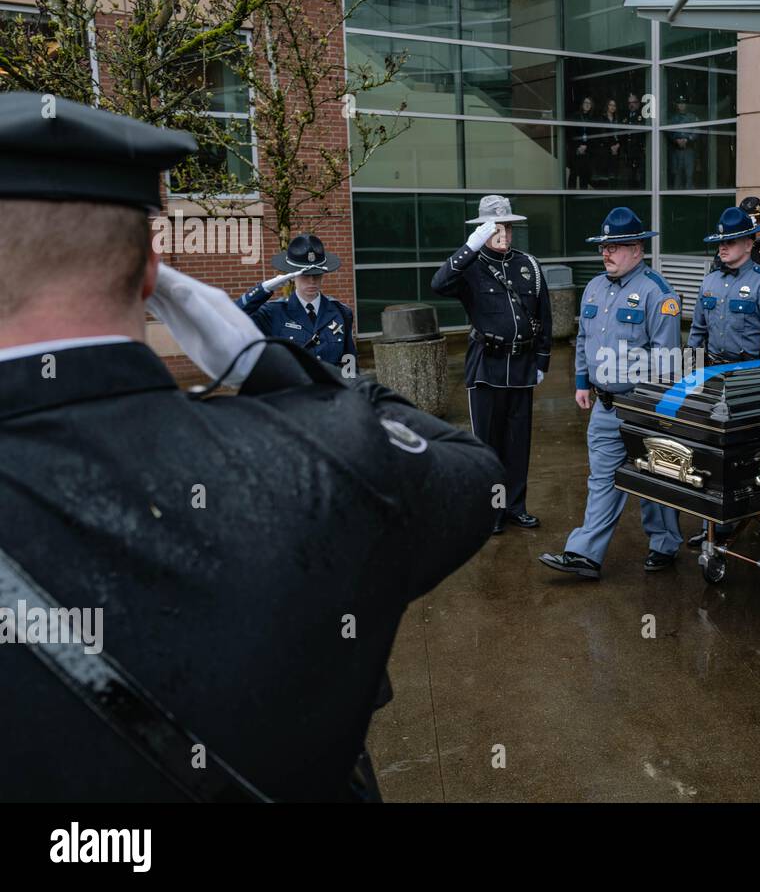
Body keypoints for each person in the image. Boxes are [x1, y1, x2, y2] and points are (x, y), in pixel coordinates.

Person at [0, 92, 502, 801]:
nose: (312, 281)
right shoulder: (324, 457)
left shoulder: (335, 327)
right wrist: (267, 365)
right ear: (151, 272)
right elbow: (476, 476)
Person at [539, 207, 683, 579]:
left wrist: (656, 411)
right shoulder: (595, 287)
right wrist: (582, 381)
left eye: (616, 246)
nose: (607, 253)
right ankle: (585, 554)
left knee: (653, 479)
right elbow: (585, 339)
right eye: (604, 246)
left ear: (638, 249)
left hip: (642, 405)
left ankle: (664, 542)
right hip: (605, 405)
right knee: (602, 478)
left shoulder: (658, 293)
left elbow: (666, 361)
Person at [430, 195, 551, 535]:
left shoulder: (528, 265)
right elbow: (438, 284)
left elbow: (544, 314)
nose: (505, 234)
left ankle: (516, 507)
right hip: (488, 366)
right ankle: (494, 510)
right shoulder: (470, 266)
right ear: (483, 230)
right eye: (497, 228)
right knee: (489, 445)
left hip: (522, 364)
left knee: (518, 442)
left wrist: (542, 359)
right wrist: (469, 247)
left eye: (508, 228)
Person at [683, 205, 760, 549]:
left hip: (749, 380)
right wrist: (691, 376)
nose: (723, 247)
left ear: (749, 243)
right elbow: (697, 332)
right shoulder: (710, 281)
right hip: (713, 377)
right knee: (710, 453)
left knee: (751, 454)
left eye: (731, 241)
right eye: (720, 242)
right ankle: (713, 525)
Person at [235, 233, 356, 367]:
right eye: (305, 275)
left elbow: (348, 359)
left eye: (316, 274)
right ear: (292, 276)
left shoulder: (341, 312)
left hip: (332, 388)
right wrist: (264, 289)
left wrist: (351, 387)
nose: (312, 281)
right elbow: (233, 316)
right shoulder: (274, 312)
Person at [666, 96, 698, 189]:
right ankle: (676, 194)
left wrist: (688, 139)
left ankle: (689, 194)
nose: (681, 105)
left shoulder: (692, 117)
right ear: (677, 105)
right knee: (677, 174)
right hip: (676, 149)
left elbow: (697, 130)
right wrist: (676, 140)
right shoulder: (673, 118)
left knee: (689, 173)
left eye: (683, 103)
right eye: (679, 103)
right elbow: (668, 132)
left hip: (689, 148)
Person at [567, 95, 596, 190]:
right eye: (585, 103)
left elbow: (595, 136)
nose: (587, 105)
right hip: (576, 150)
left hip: (587, 150)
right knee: (574, 174)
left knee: (585, 175)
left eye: (589, 103)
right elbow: (570, 134)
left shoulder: (592, 118)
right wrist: (579, 147)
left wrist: (586, 146)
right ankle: (571, 198)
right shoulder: (575, 116)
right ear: (582, 104)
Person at [620, 92, 646, 190]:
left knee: (640, 175)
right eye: (629, 103)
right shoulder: (625, 116)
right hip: (627, 150)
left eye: (634, 102)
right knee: (630, 176)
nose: (631, 104)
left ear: (638, 104)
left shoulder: (642, 116)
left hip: (639, 150)